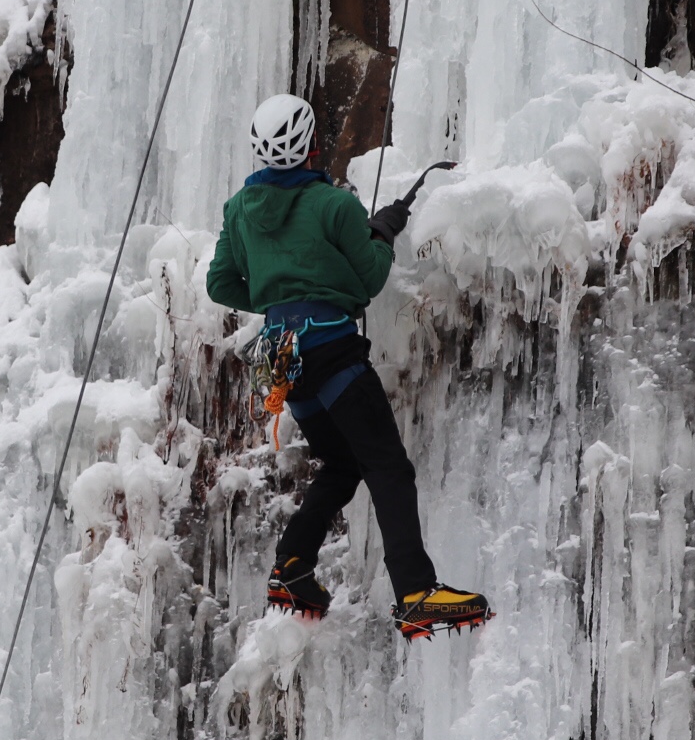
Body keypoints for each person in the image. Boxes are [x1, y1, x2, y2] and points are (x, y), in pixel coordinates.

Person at [205, 95, 488, 638]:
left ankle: (292, 567)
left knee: (343, 464)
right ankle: (416, 591)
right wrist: (379, 233)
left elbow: (220, 282)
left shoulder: (240, 208)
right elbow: (369, 280)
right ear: (313, 145)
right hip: (333, 353)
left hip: (286, 365)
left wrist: (276, 290)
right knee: (388, 466)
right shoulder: (333, 206)